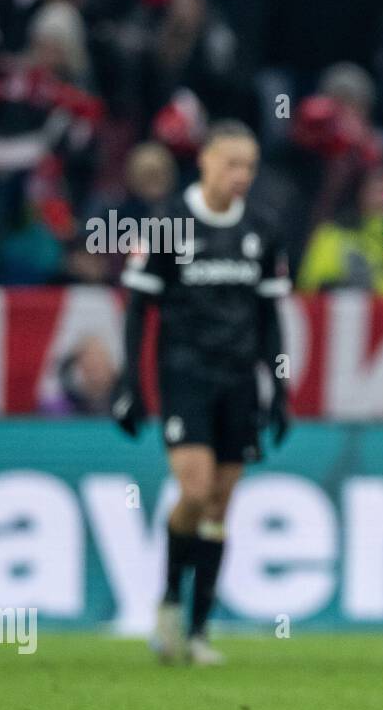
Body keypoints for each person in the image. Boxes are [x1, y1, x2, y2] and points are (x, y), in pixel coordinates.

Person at [113, 120, 291, 666]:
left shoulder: (262, 227)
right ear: (207, 161)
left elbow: (268, 316)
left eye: (250, 166)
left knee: (219, 504)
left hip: (239, 380)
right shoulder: (168, 224)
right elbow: (140, 307)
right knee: (193, 492)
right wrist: (129, 384)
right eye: (233, 164)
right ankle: (168, 600)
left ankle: (198, 629)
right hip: (185, 374)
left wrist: (279, 389)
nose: (242, 176)